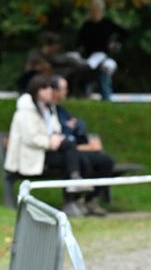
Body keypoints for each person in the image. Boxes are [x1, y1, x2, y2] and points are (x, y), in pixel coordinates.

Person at [3, 73, 91, 217]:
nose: (49, 91)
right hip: (32, 155)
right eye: (44, 88)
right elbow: (30, 138)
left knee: (77, 157)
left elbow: (55, 128)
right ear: (35, 91)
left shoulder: (49, 109)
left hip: (46, 152)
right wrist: (50, 142)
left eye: (50, 87)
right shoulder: (26, 111)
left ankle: (73, 197)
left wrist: (56, 137)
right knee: (72, 154)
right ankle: (73, 188)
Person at [49, 75, 116, 215]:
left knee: (106, 161)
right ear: (54, 91)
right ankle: (71, 201)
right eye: (64, 89)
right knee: (81, 160)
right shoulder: (47, 111)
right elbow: (60, 132)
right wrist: (69, 128)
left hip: (73, 149)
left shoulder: (61, 110)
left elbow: (79, 127)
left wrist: (74, 126)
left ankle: (90, 200)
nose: (66, 92)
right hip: (59, 153)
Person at [75, 0, 126, 100]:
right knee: (86, 74)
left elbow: (124, 33)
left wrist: (115, 43)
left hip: (103, 57)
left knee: (104, 75)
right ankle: (85, 96)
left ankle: (106, 97)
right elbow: (78, 41)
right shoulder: (87, 25)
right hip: (88, 58)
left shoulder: (107, 24)